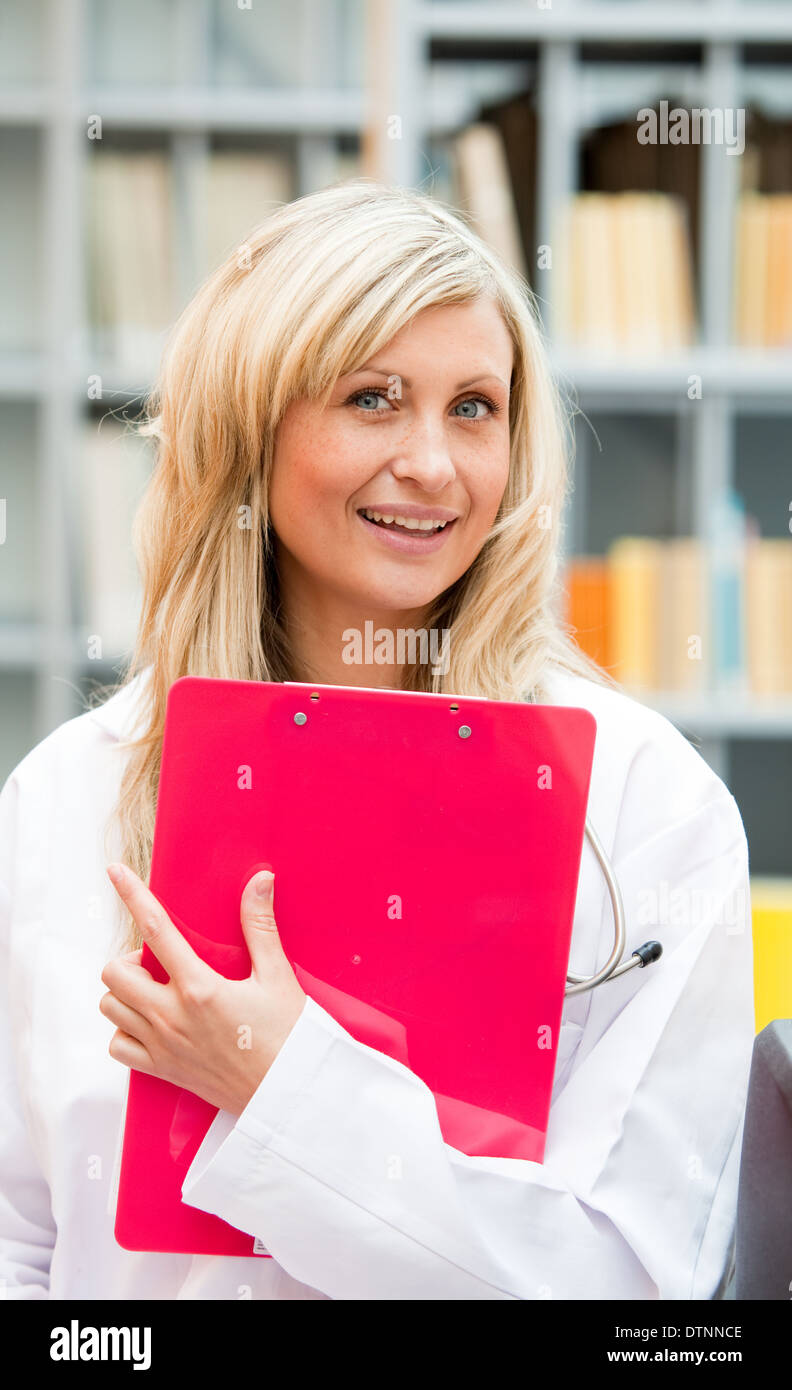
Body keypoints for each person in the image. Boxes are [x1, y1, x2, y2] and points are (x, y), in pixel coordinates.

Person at [0, 180, 754, 1301]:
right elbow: (24, 1236)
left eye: (473, 408)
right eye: (373, 398)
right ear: (249, 432)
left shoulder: (645, 807)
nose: (436, 466)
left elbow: (632, 1288)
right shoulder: (72, 792)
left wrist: (286, 1089)